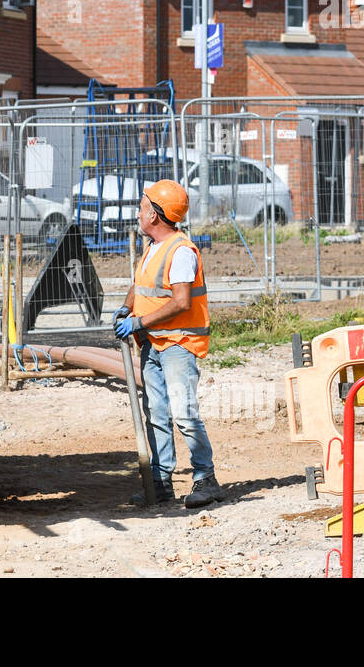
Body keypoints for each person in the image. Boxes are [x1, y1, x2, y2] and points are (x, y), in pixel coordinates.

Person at [113, 179, 223, 509]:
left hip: (177, 344)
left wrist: (139, 322)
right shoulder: (153, 249)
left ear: (156, 216)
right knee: (157, 414)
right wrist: (126, 308)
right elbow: (140, 286)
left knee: (184, 413)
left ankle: (206, 478)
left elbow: (180, 302)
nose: (138, 213)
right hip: (153, 344)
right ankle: (160, 483)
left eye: (143, 207)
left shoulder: (181, 252)